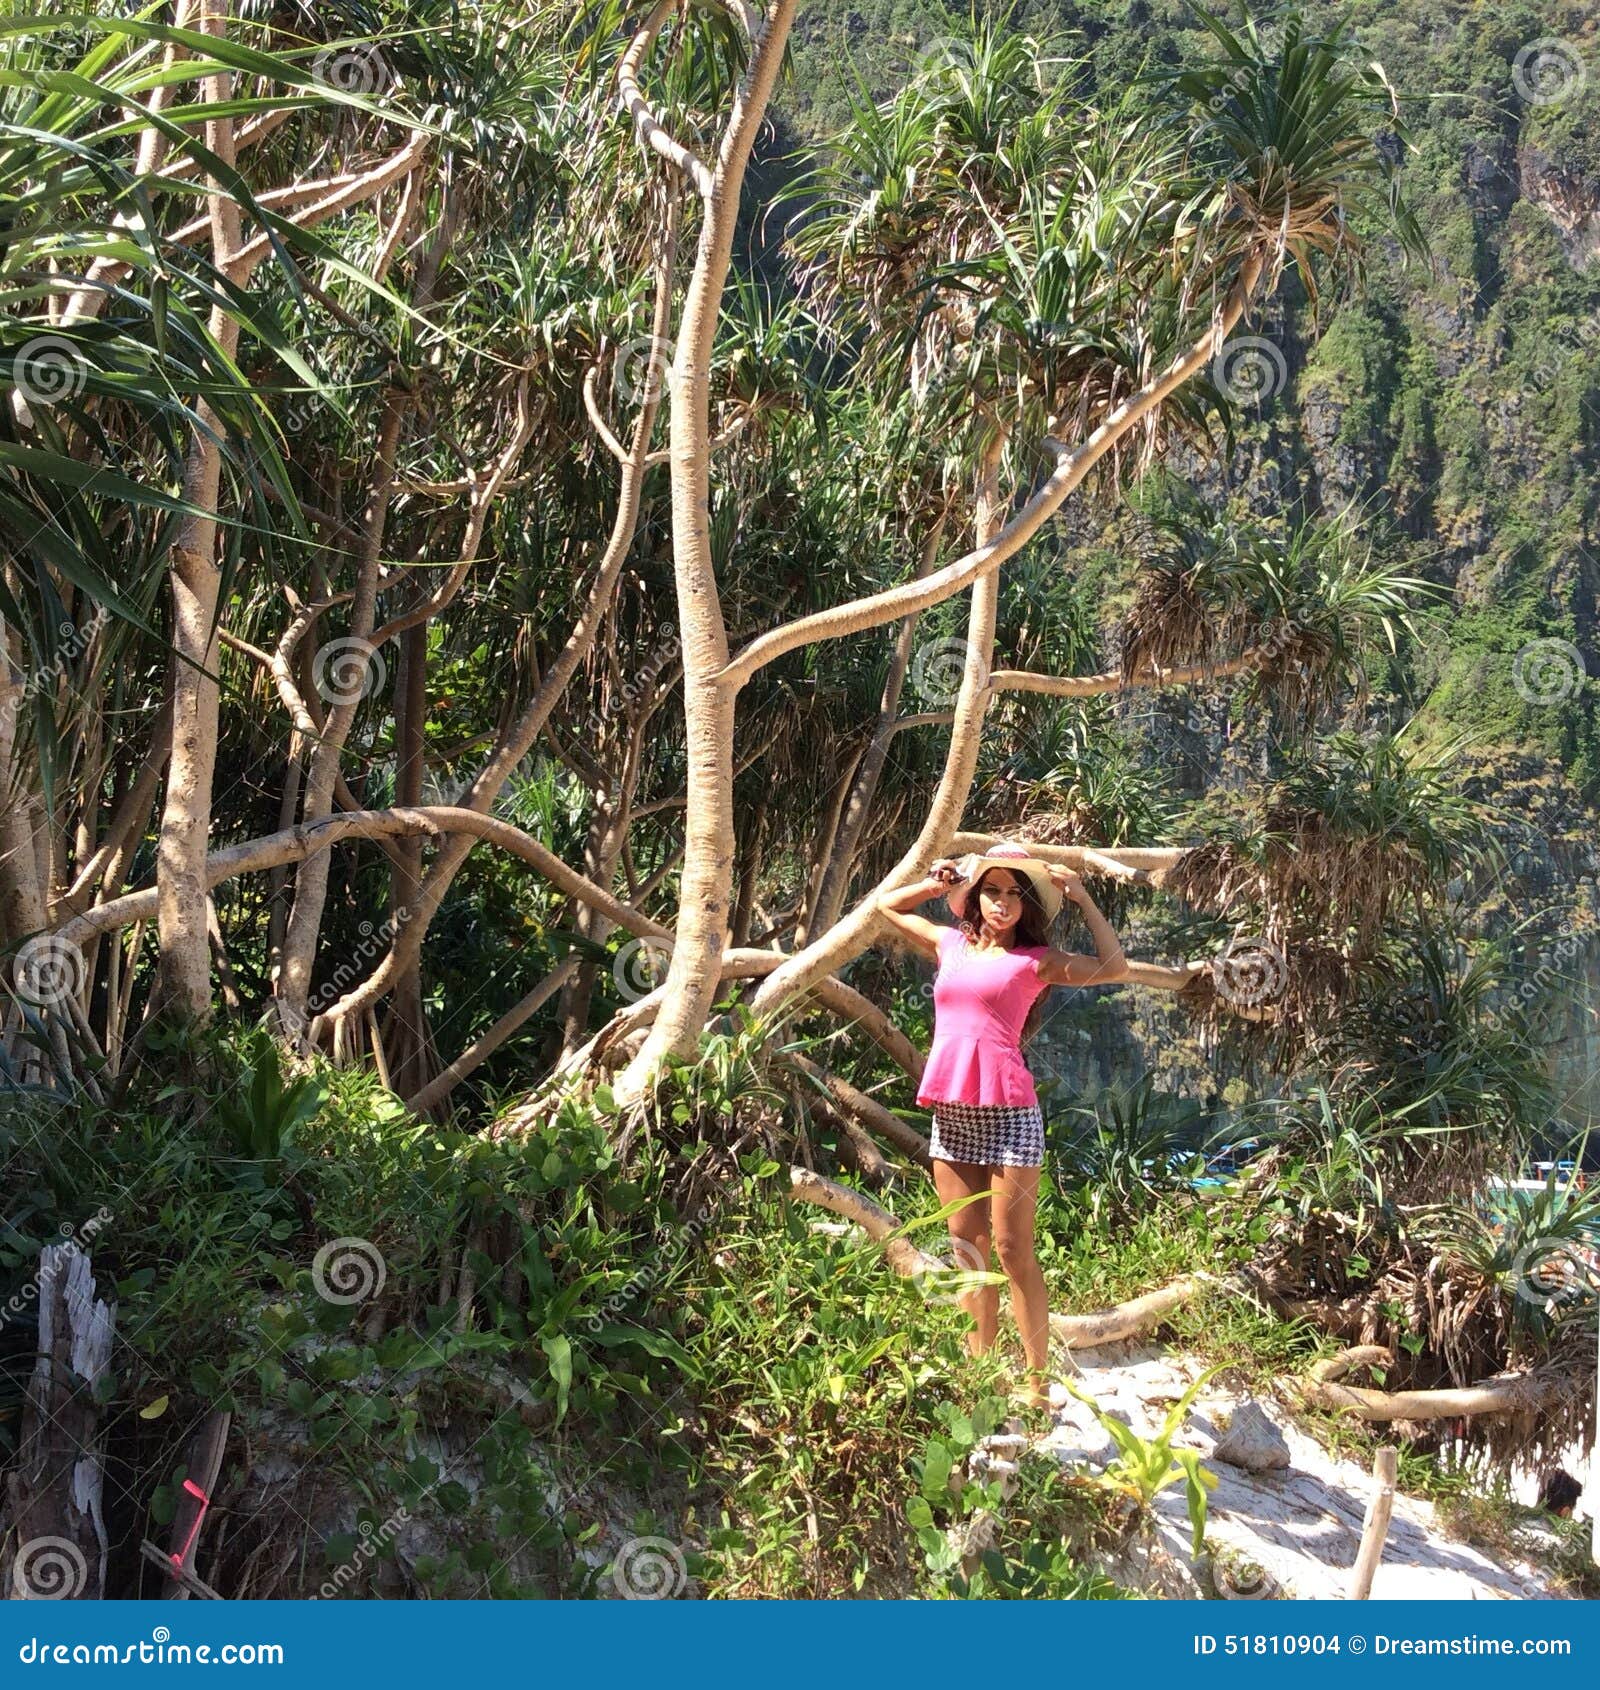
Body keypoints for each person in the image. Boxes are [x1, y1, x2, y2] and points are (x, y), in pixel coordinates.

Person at [875, 841, 1129, 1408]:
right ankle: (978, 1376)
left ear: (1026, 904)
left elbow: (1116, 967)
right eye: (992, 890)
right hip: (954, 1112)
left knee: (1014, 1250)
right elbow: (885, 909)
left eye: (1016, 894)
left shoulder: (1035, 961)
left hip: (1011, 1115)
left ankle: (1036, 1386)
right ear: (976, 896)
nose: (1003, 903)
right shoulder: (950, 944)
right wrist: (936, 885)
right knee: (967, 1249)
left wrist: (1082, 896)